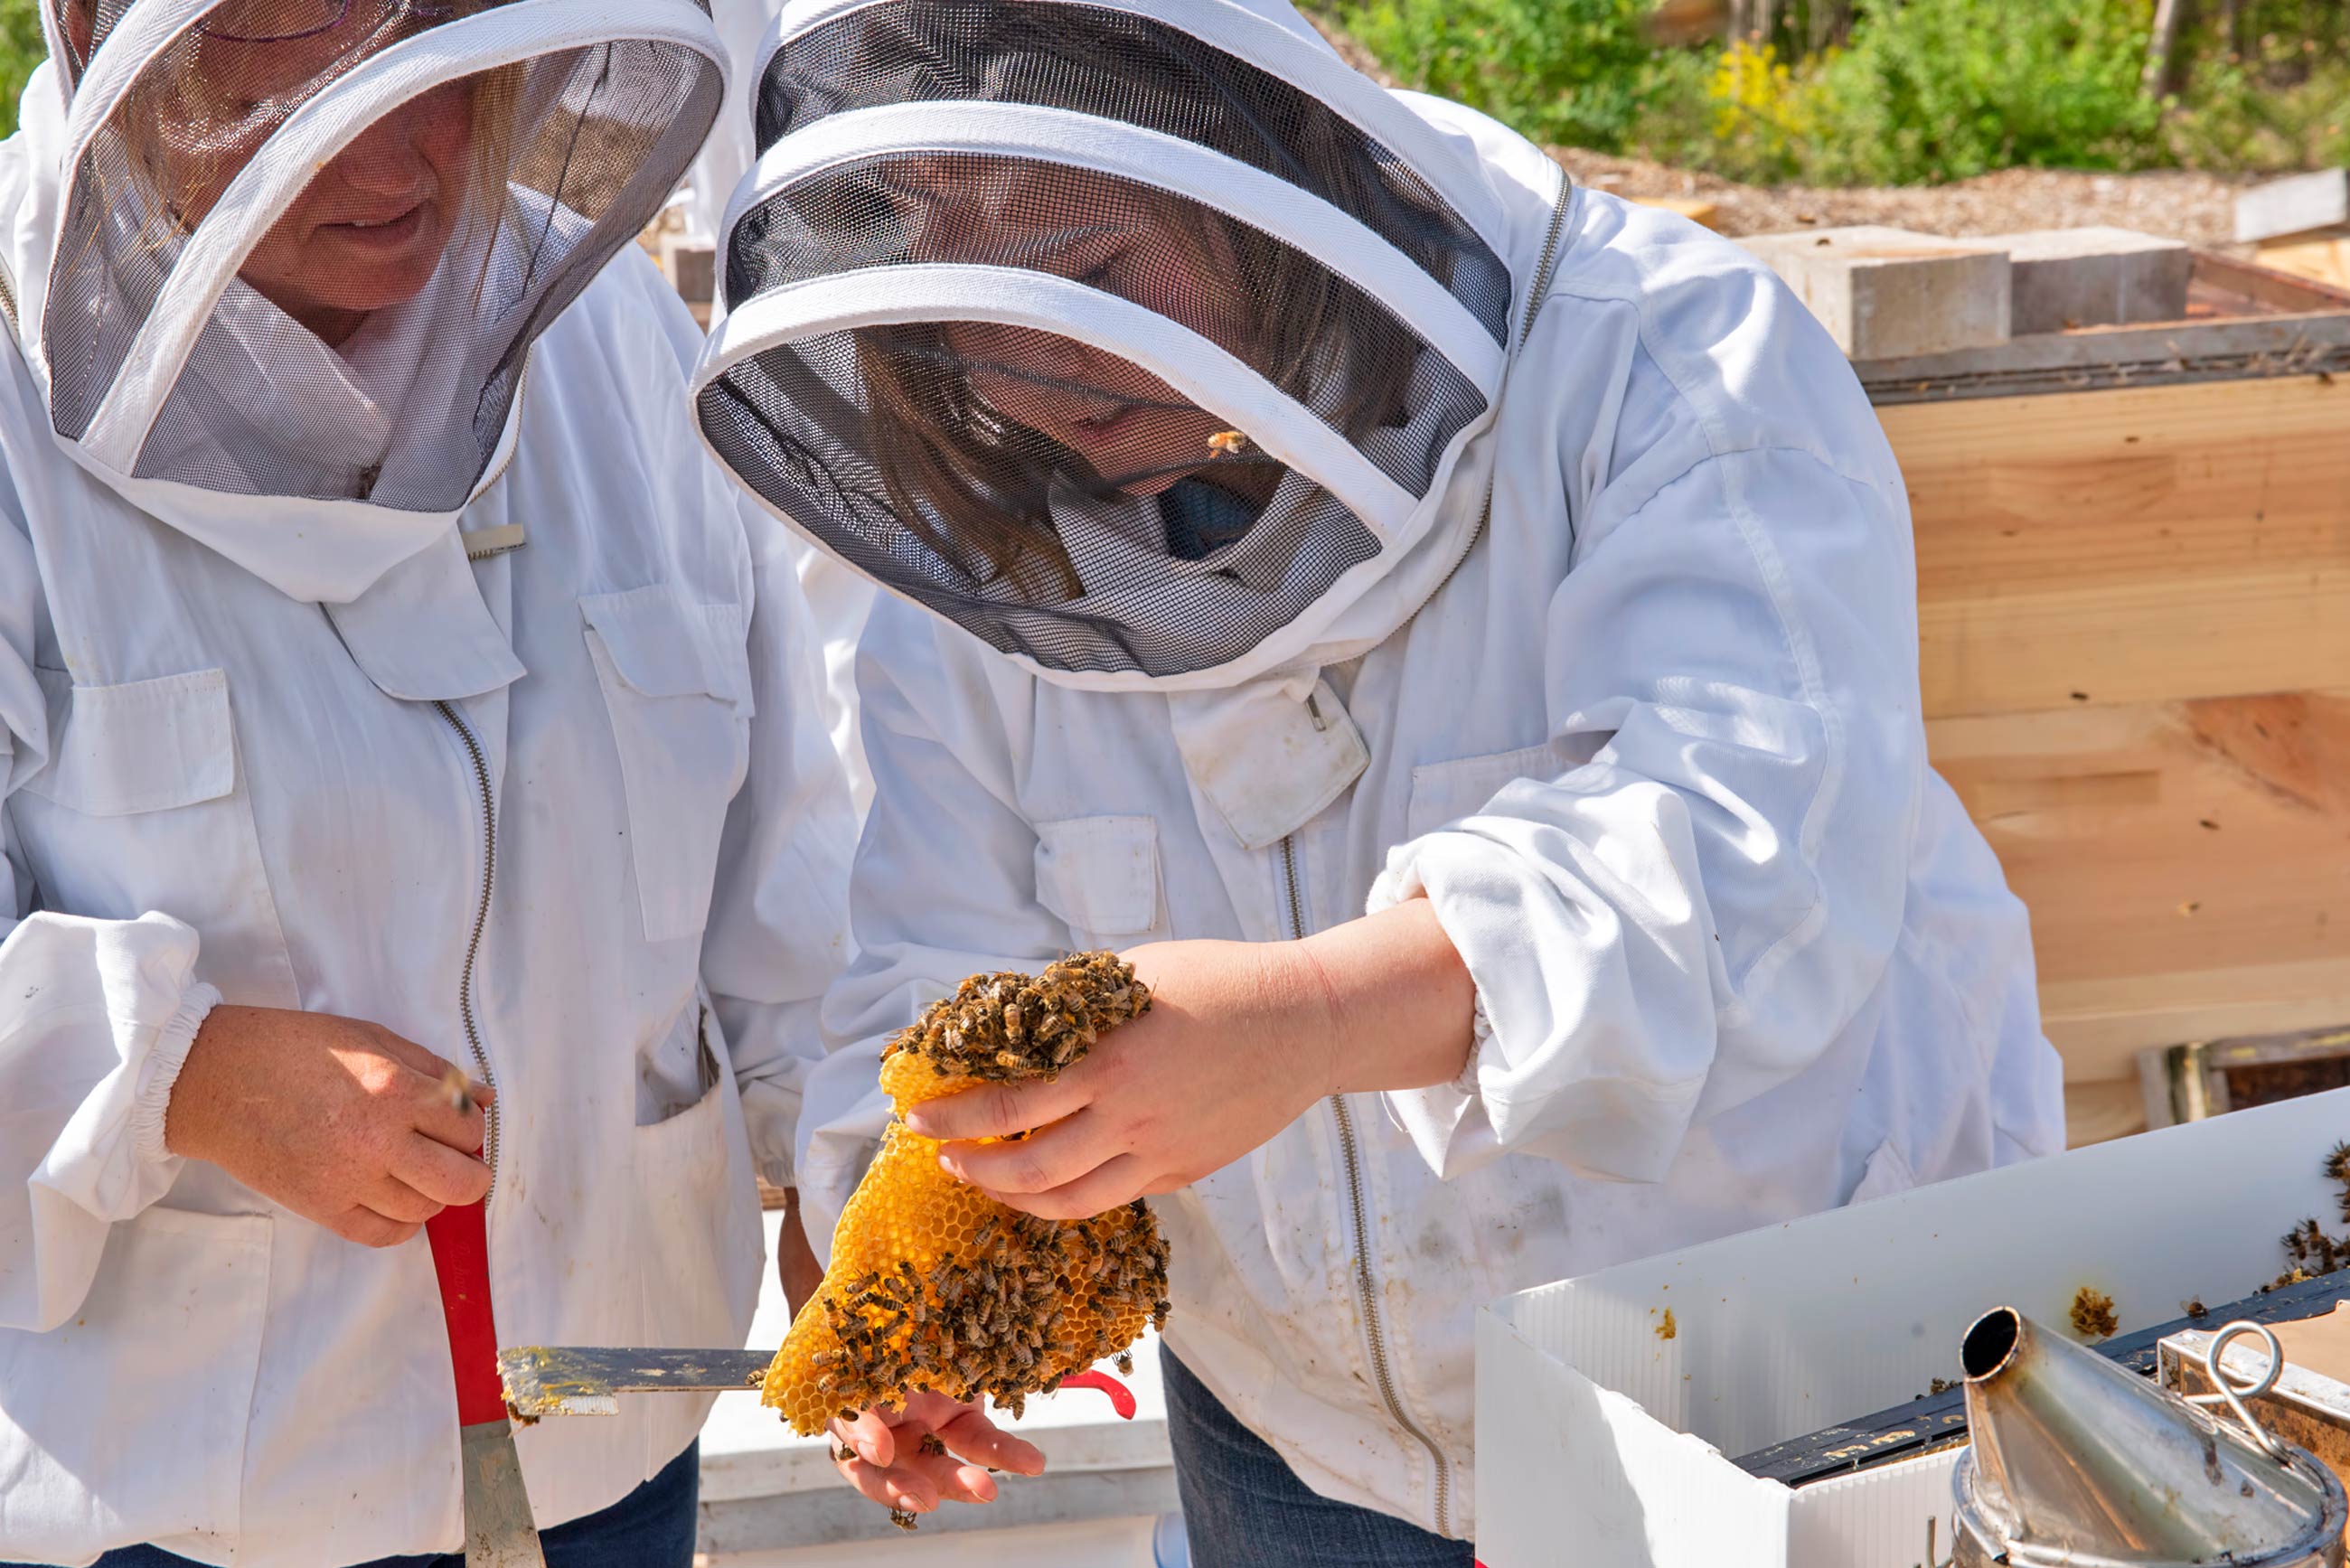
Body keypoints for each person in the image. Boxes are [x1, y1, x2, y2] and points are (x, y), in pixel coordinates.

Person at [693, 0, 2067, 1561]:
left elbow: (1747, 862)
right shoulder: (986, 547)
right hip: (1293, 1433)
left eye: (1095, 275)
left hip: (1788, 1374)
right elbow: (935, 956)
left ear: (1248, 161)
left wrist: (1311, 1022)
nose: (1043, 364)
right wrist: (894, 1275)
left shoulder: (1668, 362)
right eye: (972, 320)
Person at [0, 3, 854, 1564]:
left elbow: (778, 844)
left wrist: (838, 1180)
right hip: (181, 1490)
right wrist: (181, 1075)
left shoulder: (606, 326)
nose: (398, 156)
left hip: (613, 1426)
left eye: (441, 66)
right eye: (290, 91)